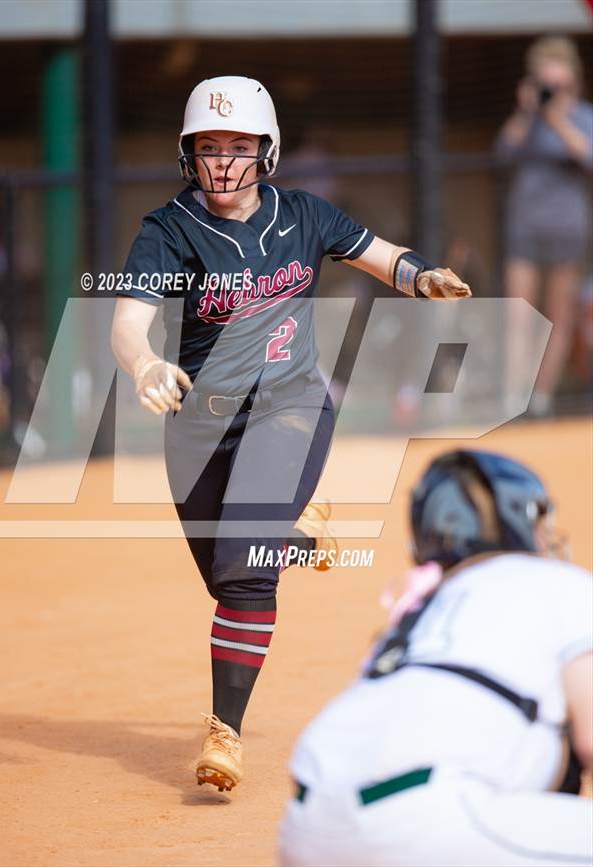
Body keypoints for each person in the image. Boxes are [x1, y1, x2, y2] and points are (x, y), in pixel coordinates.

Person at [110, 76, 471, 793]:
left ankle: (225, 732)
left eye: (238, 147)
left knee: (247, 572)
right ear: (189, 155)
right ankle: (290, 526)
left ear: (267, 151)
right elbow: (126, 322)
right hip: (201, 427)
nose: (222, 162)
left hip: (292, 404)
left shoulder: (301, 213)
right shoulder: (169, 229)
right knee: (226, 575)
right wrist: (145, 361)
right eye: (207, 147)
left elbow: (377, 252)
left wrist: (421, 275)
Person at [278, 449, 593, 866]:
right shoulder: (558, 581)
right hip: (429, 818)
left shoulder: (419, 608)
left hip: (305, 821)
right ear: (518, 521)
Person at [495, 36, 593, 417]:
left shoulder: (583, 115)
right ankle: (511, 397)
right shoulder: (527, 120)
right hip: (525, 222)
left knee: (557, 316)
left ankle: (542, 398)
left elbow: (587, 157)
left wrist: (559, 119)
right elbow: (503, 153)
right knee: (517, 313)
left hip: (567, 227)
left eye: (561, 85)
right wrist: (527, 112)